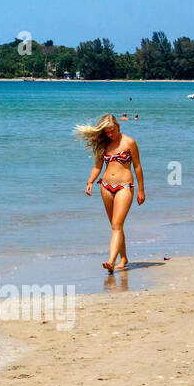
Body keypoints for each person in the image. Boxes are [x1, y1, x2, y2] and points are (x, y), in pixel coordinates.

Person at [75, 113, 145, 274]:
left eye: (112, 131)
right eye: (107, 132)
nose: (110, 134)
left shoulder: (129, 142)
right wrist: (90, 181)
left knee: (116, 225)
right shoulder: (104, 145)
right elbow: (97, 166)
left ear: (118, 127)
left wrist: (141, 190)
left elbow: (138, 167)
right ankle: (123, 258)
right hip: (105, 187)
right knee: (115, 225)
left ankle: (111, 261)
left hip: (125, 187)